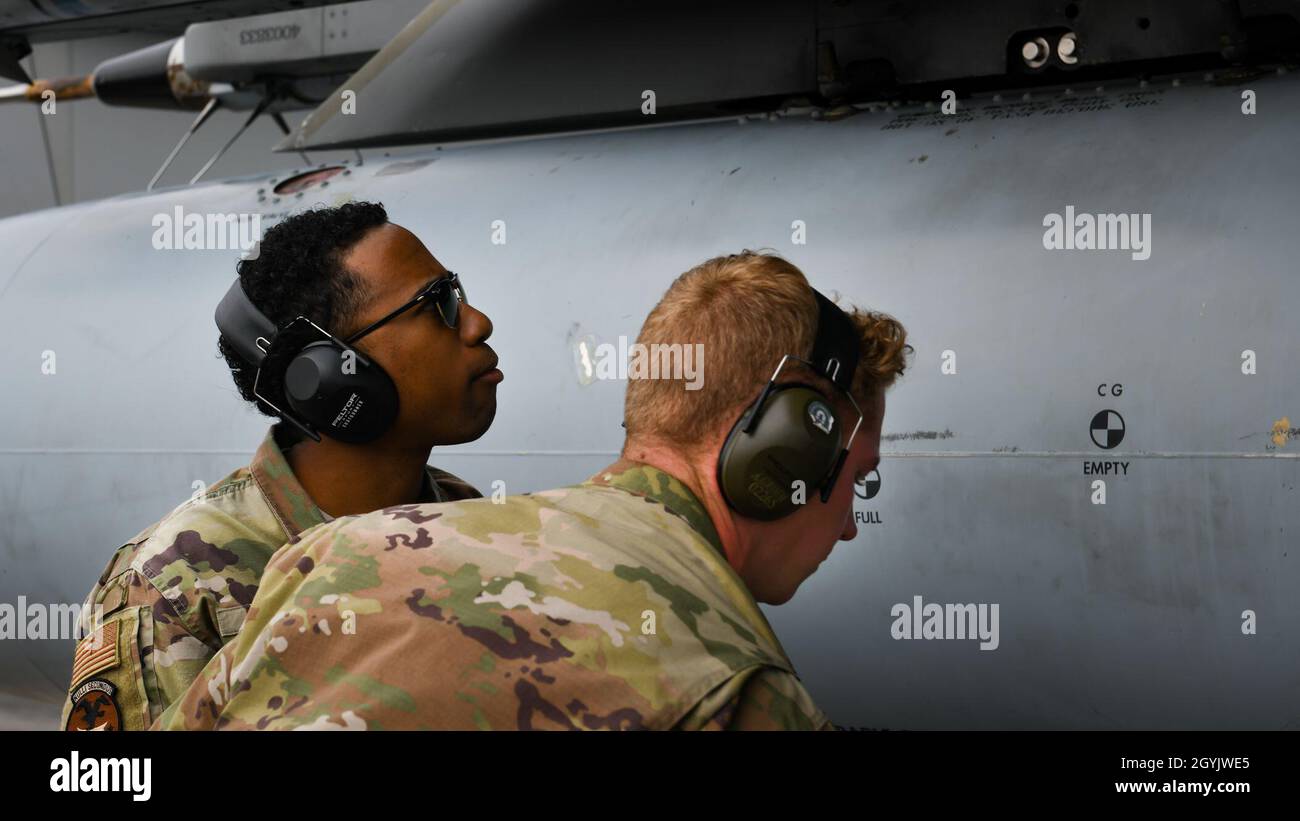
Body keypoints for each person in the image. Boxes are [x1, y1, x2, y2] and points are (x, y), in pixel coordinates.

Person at [157, 250, 909, 731]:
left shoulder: (334, 555)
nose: (848, 524)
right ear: (783, 452)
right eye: (857, 474)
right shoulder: (737, 691)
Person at [61, 201, 502, 730]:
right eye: (437, 305)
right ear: (329, 377)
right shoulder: (177, 585)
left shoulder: (466, 519)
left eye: (456, 294)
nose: (477, 323)